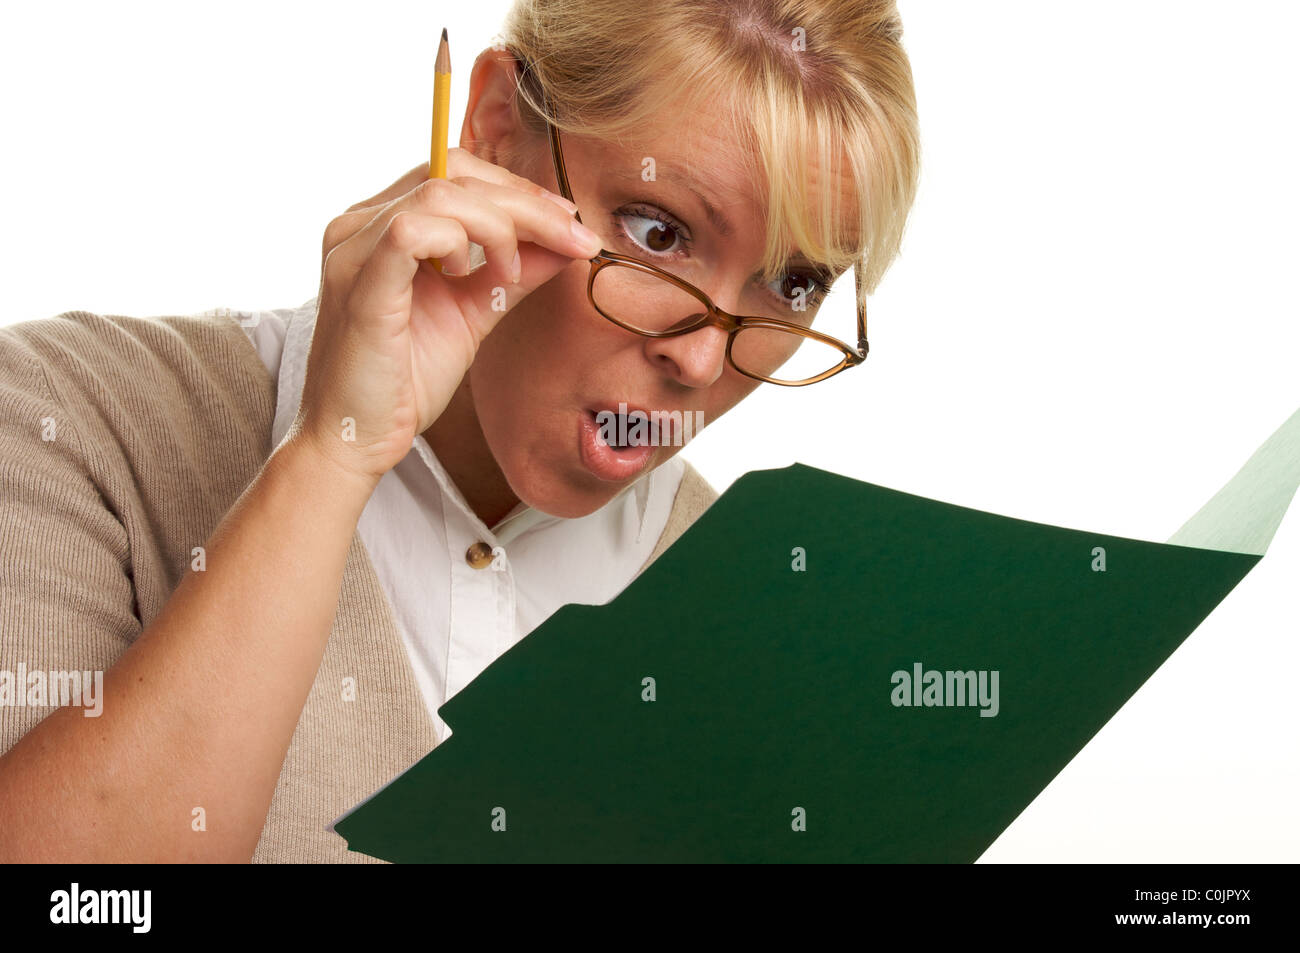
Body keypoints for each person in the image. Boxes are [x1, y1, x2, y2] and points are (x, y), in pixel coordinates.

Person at [0, 0, 919, 862]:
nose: (704, 361)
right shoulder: (73, 420)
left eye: (793, 285)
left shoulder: (760, 611)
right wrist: (331, 455)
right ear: (491, 126)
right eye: (658, 230)